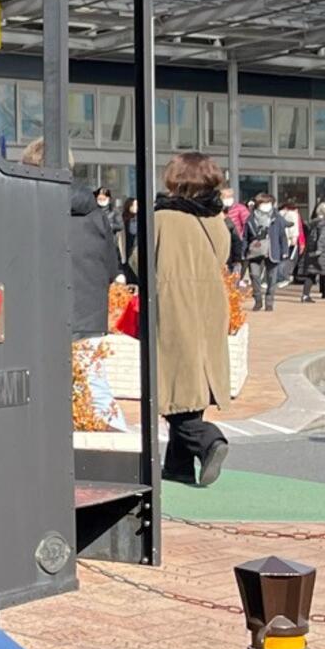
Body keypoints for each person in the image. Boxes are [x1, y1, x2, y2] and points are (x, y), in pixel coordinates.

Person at [140, 152, 232, 487]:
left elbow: (140, 261)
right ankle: (178, 466)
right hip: (209, 304)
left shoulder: (163, 216)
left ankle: (208, 440)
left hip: (174, 303)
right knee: (192, 383)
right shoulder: (216, 218)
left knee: (172, 385)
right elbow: (224, 256)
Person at [70, 179, 123, 338]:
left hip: (43, 320)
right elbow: (111, 268)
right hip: (92, 319)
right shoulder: (98, 216)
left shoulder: (32, 209)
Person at [243, 192, 286, 312]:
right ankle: (258, 300)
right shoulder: (250, 219)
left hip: (272, 251)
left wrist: (284, 250)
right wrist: (243, 252)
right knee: (254, 276)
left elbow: (282, 236)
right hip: (255, 251)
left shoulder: (276, 218)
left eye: (269, 203)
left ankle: (269, 302)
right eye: (264, 203)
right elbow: (245, 237)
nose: (266, 206)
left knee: (272, 278)